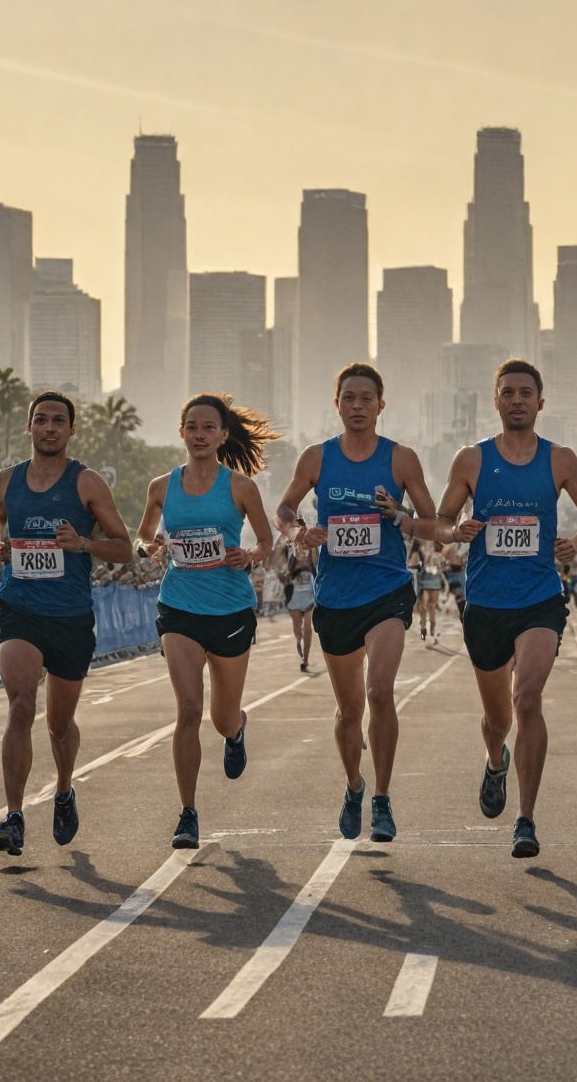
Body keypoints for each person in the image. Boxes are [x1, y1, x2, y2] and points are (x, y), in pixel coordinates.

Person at [432, 359, 577, 859]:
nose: (517, 400)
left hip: (539, 599)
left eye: (525, 393)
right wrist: (456, 531)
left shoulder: (560, 460)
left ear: (540, 403)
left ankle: (526, 819)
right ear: (497, 402)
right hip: (486, 601)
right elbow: (443, 520)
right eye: (507, 392)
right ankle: (494, 760)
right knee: (496, 718)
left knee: (526, 699)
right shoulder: (472, 460)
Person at [274, 363, 442, 842]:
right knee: (349, 712)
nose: (358, 406)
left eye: (367, 398)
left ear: (380, 405)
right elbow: (285, 511)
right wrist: (299, 533)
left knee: (380, 692)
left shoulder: (401, 459)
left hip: (387, 591)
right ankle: (354, 786)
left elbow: (432, 523)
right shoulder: (317, 458)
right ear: (338, 405)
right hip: (336, 596)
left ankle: (383, 800)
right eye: (349, 398)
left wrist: (399, 514)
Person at [0, 391, 135, 858]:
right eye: (41, 420)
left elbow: (124, 547)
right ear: (29, 427)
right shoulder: (7, 480)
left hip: (69, 616)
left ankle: (64, 789)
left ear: (71, 430)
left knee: (59, 724)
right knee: (22, 704)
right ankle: (14, 815)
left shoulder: (87, 483)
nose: (49, 428)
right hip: (19, 609)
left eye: (58, 421)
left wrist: (83, 544)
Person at [138, 393, 279, 850]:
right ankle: (188, 814)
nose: (199, 435)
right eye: (191, 427)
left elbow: (266, 541)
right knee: (187, 710)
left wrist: (248, 557)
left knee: (219, 716)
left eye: (208, 428)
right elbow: (143, 536)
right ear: (181, 433)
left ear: (222, 435)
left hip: (231, 610)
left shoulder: (240, 487)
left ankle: (236, 729)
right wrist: (151, 548)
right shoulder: (162, 486)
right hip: (179, 607)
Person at [279, 534, 317, 671]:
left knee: (308, 626)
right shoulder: (288, 550)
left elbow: (313, 566)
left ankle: (305, 659)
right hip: (294, 593)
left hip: (308, 593)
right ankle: (298, 640)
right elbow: (281, 570)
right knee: (297, 625)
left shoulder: (310, 548)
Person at [413, 542, 446, 641]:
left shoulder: (439, 557)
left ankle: (432, 629)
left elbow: (440, 568)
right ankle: (423, 629)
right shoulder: (424, 556)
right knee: (423, 607)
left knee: (432, 607)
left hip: (435, 585)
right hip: (425, 585)